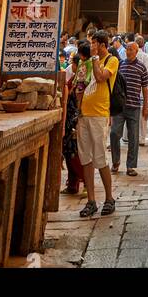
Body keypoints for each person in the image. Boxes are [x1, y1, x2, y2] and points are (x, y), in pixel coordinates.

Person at [77, 31, 119, 217]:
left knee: (100, 157)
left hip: (100, 114)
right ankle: (91, 200)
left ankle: (109, 198)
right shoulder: (86, 62)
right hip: (85, 114)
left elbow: (101, 77)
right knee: (85, 158)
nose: (91, 45)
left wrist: (94, 59)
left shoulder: (112, 60)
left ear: (102, 45)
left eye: (94, 43)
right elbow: (80, 83)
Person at [109, 40, 148, 176]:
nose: (128, 51)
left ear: (136, 52)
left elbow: (145, 88)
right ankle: (115, 161)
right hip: (120, 107)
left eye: (131, 49)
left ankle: (130, 166)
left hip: (134, 106)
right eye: (127, 49)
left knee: (133, 137)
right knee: (114, 133)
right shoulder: (120, 65)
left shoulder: (141, 68)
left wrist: (146, 107)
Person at [62, 42, 90, 194]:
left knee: (73, 154)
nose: (71, 65)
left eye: (73, 62)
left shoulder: (80, 81)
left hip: (74, 120)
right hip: (70, 120)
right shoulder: (73, 79)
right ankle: (72, 184)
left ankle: (85, 181)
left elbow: (79, 99)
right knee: (69, 152)